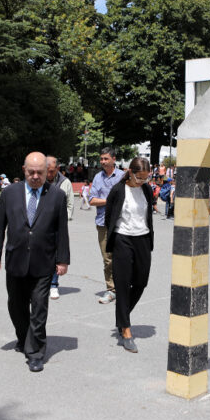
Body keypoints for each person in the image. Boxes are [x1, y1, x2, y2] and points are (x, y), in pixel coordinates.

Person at [0, 152, 70, 373]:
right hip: (16, 259)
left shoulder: (57, 196)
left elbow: (62, 231)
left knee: (39, 307)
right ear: (24, 170)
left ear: (47, 172)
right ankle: (24, 337)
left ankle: (35, 353)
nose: (35, 176)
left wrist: (62, 260)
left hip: (44, 262)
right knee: (16, 306)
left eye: (40, 172)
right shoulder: (10, 193)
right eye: (31, 172)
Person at [104, 157, 154, 353]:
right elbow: (109, 217)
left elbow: (147, 215)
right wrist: (114, 239)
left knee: (141, 282)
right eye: (139, 177)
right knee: (123, 285)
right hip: (122, 239)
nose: (142, 181)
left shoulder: (146, 189)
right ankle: (125, 330)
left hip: (143, 239)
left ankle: (121, 316)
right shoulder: (118, 190)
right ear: (130, 172)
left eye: (145, 178)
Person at [89, 147, 124, 304]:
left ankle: (123, 286)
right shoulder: (98, 177)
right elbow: (91, 200)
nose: (103, 161)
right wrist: (110, 201)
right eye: (101, 159)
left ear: (113, 159)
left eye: (106, 158)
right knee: (108, 259)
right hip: (103, 223)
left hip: (121, 223)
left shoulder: (122, 176)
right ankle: (111, 290)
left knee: (122, 256)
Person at [46, 155, 74, 300]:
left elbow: (70, 204)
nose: (48, 174)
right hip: (40, 225)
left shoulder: (65, 182)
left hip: (57, 225)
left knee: (56, 255)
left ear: (57, 168)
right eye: (46, 170)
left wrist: (63, 220)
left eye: (51, 171)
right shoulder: (38, 180)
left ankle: (53, 285)